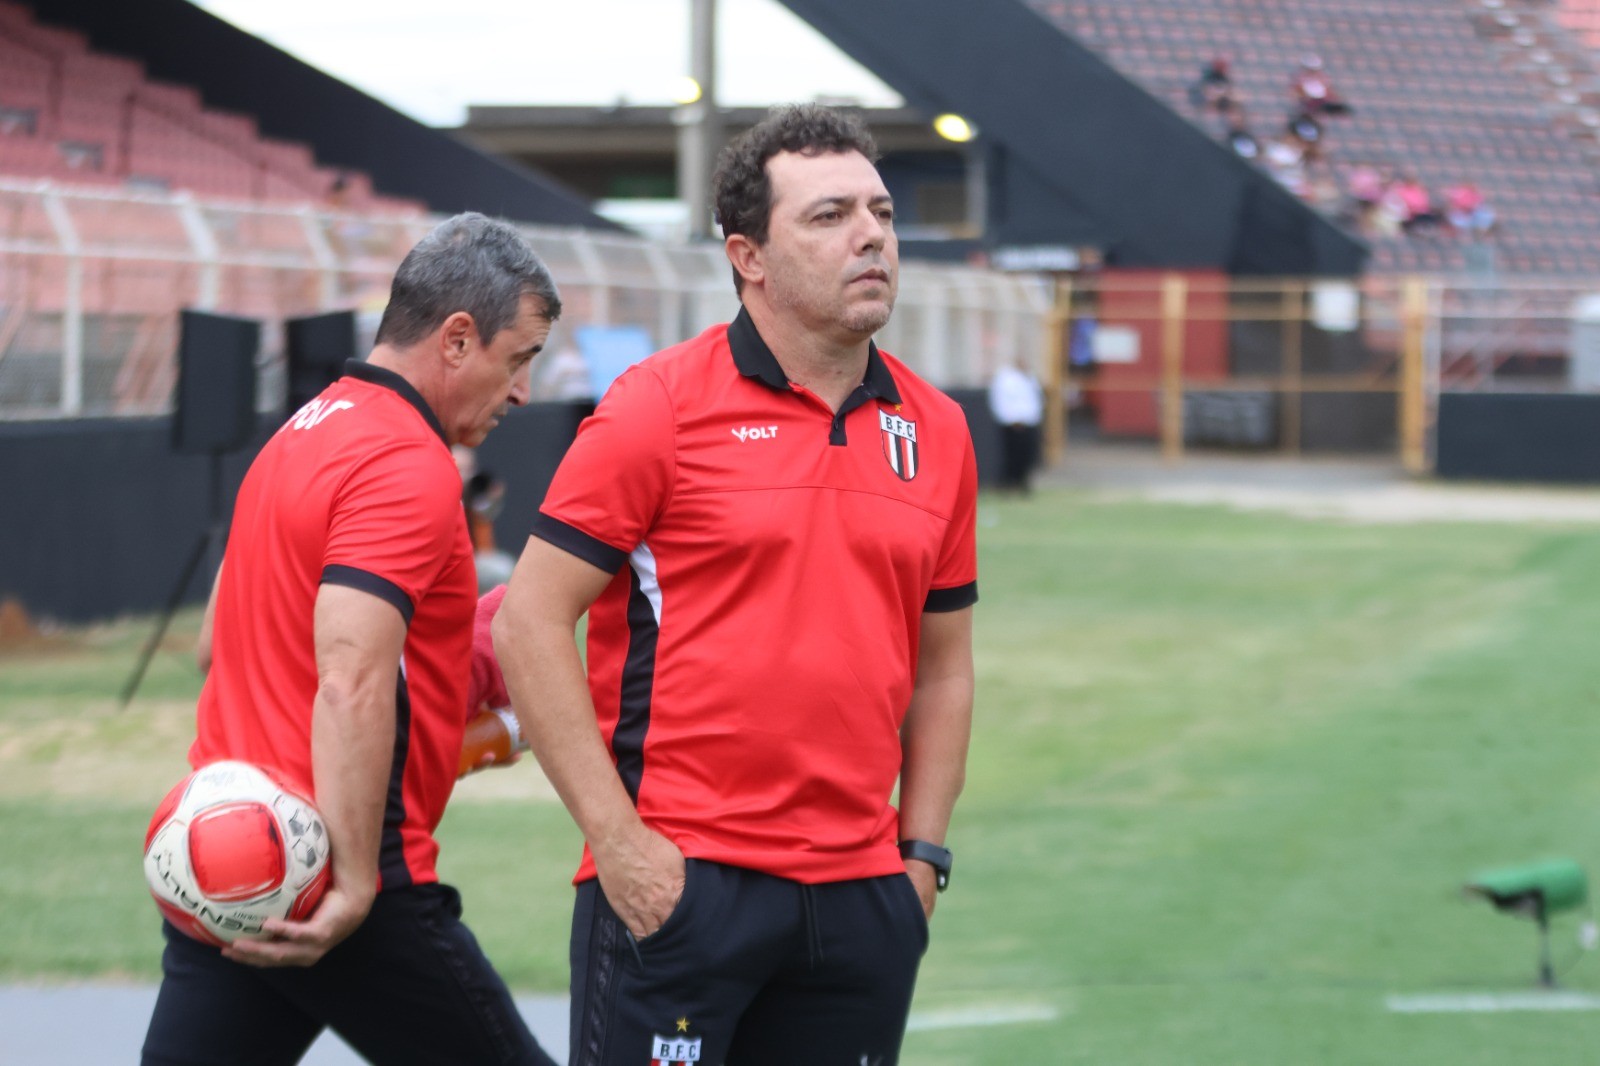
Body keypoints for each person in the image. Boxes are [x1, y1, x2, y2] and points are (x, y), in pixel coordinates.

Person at [493, 104, 978, 1066]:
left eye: (879, 211)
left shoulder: (939, 430)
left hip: (862, 903)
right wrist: (622, 846)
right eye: (830, 215)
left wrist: (919, 858)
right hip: (683, 889)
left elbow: (945, 668)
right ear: (749, 256)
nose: (872, 234)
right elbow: (529, 622)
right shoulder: (658, 408)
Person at [143, 213, 563, 1066]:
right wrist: (360, 884)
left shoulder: (302, 431)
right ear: (456, 339)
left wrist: (477, 660)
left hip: (230, 855)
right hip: (334, 865)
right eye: (517, 359)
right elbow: (352, 676)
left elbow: (214, 647)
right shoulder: (406, 463)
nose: (520, 392)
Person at [989, 356, 1044, 493]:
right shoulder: (1006, 378)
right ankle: (1008, 483)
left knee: (1026, 455)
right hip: (1013, 424)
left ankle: (1022, 481)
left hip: (1029, 422)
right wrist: (1012, 419)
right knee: (1012, 455)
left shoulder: (1029, 378)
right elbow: (1001, 400)